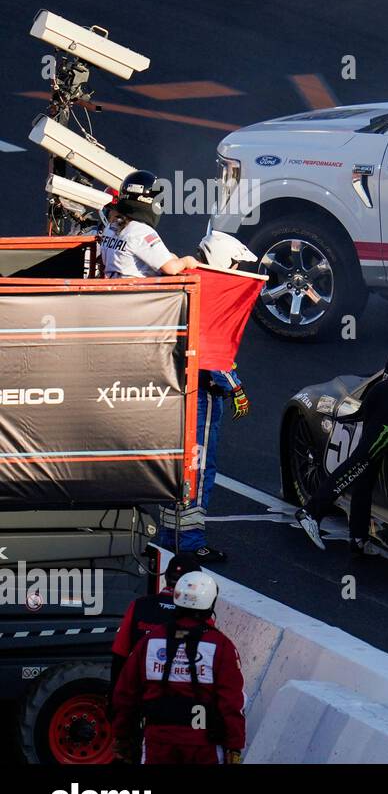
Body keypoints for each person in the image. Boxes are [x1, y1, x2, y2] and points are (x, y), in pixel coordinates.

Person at [158, 232, 255, 562]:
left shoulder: (182, 282)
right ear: (225, 261)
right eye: (238, 264)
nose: (241, 269)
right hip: (200, 398)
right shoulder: (207, 293)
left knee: (177, 467)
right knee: (196, 470)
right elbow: (211, 350)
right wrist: (236, 387)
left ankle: (169, 532)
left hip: (174, 391)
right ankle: (188, 541)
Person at [295, 353, 388, 555]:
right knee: (361, 463)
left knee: (365, 473)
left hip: (381, 393)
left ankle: (358, 538)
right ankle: (311, 512)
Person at [112, 571, 246, 765]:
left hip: (157, 743)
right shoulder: (221, 646)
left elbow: (125, 694)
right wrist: (234, 745)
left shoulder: (150, 641)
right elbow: (232, 702)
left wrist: (122, 736)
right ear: (210, 603)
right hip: (204, 746)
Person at [110, 552, 206, 693]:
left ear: (166, 576)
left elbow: (120, 654)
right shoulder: (199, 613)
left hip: (140, 693)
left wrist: (114, 696)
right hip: (180, 696)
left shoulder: (139, 605)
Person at [98, 170, 201, 278]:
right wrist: (186, 261)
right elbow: (171, 268)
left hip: (113, 288)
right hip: (136, 292)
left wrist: (170, 257)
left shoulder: (110, 228)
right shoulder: (141, 231)